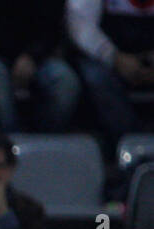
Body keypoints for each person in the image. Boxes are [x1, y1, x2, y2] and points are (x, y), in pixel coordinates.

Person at [0, 1, 81, 131]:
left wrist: (31, 56)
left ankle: (44, 142)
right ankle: (9, 141)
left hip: (40, 57)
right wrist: (15, 58)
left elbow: (52, 28)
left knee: (65, 80)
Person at [67, 0, 154, 154]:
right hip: (108, 57)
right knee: (95, 77)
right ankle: (132, 148)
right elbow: (80, 24)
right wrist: (113, 57)